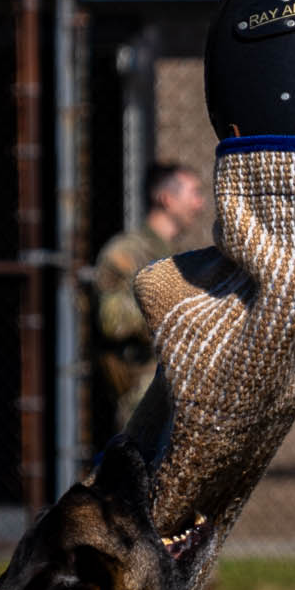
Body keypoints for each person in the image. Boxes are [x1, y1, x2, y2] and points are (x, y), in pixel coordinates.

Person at [92, 164, 209, 433]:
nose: (200, 204)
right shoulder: (126, 253)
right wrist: (174, 305)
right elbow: (111, 321)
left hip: (178, 391)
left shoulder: (177, 257)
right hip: (143, 399)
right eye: (194, 193)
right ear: (166, 199)